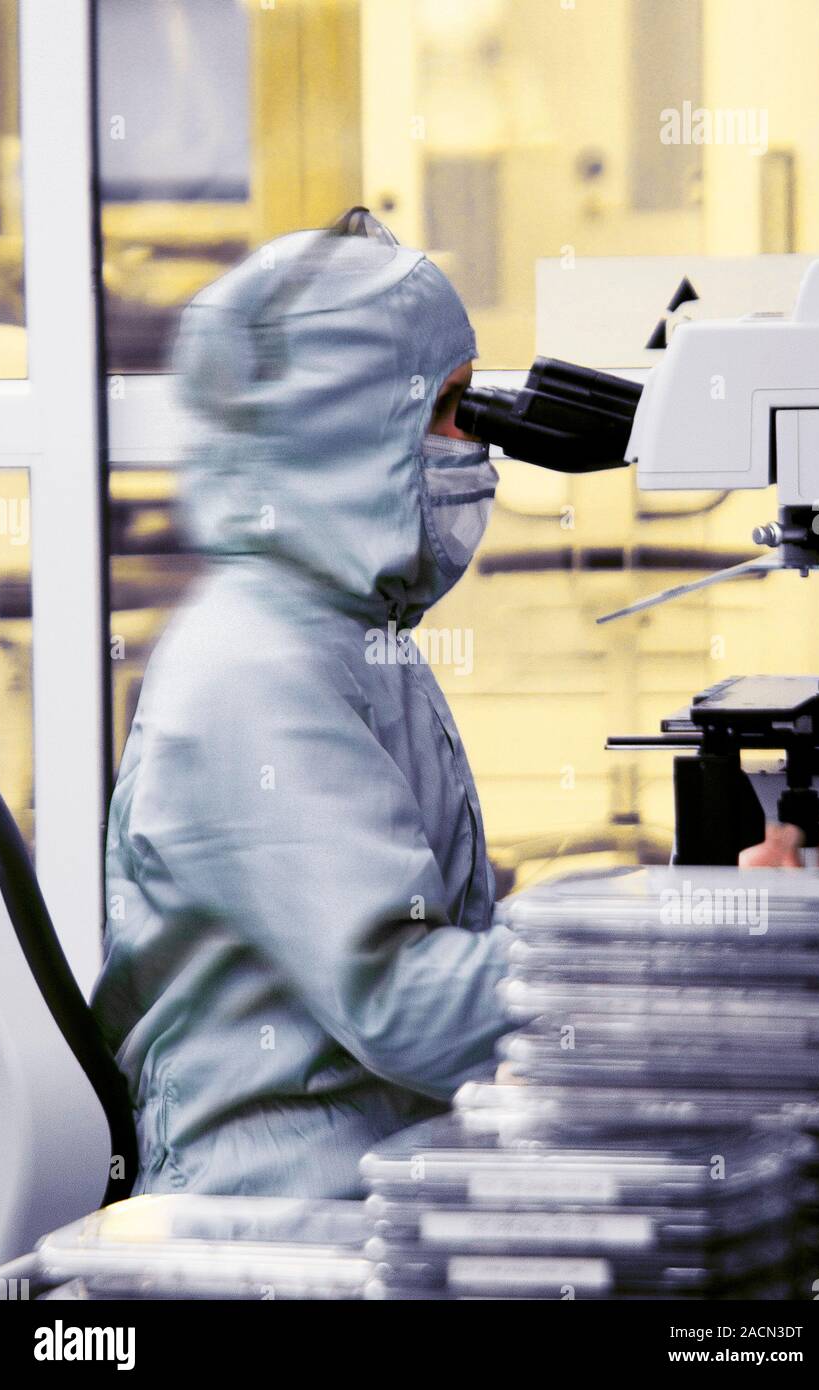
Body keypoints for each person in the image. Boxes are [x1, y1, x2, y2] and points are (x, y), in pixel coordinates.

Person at [91, 213, 514, 1198]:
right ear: (345, 425)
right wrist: (645, 968)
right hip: (286, 1224)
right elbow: (410, 1007)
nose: (476, 446)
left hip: (376, 1187)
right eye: (447, 410)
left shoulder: (349, 632)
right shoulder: (253, 669)